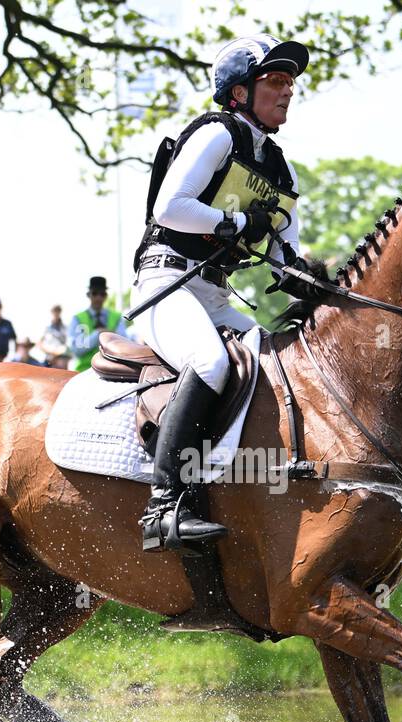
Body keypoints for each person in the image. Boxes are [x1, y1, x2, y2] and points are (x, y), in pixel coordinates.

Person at [130, 34, 319, 553]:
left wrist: (302, 276)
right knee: (212, 363)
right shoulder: (217, 134)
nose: (287, 92)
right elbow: (170, 208)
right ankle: (163, 508)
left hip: (212, 293)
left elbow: (286, 247)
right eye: (275, 81)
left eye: (290, 83)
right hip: (166, 281)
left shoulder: (280, 167)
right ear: (239, 91)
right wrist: (233, 220)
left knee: (274, 364)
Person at [68, 277, 126, 372]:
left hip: (112, 371)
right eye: (95, 293)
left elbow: (124, 346)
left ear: (106, 296)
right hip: (83, 371)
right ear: (88, 295)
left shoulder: (117, 317)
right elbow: (76, 350)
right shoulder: (77, 318)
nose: (98, 297)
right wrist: (99, 334)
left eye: (102, 294)